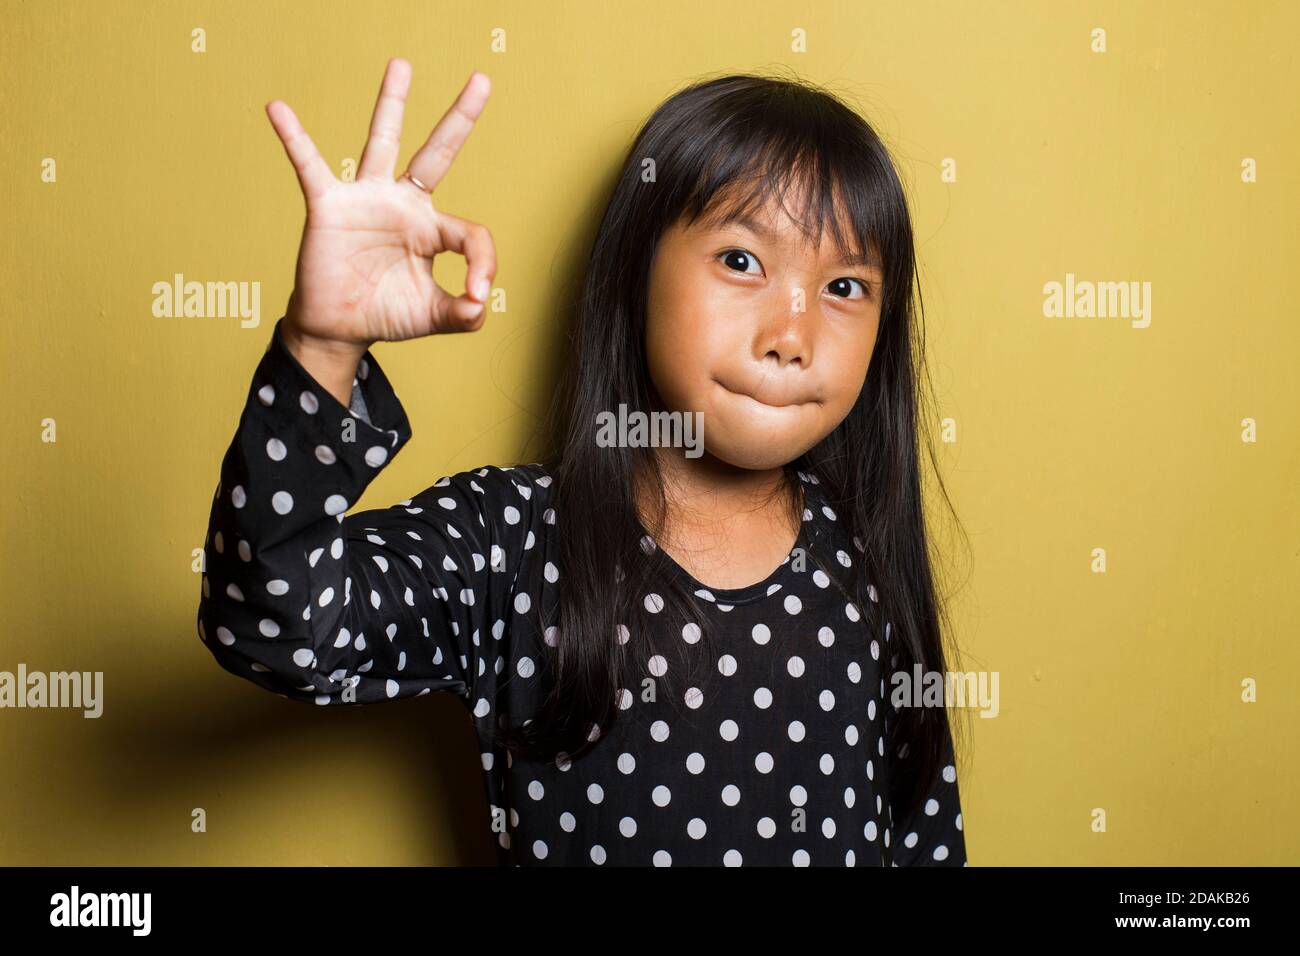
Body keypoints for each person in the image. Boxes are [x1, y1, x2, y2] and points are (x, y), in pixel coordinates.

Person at [197, 59, 969, 866]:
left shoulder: (867, 559)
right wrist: (323, 347)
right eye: (742, 261)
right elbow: (272, 629)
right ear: (635, 272)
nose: (793, 334)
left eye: (845, 285)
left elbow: (927, 837)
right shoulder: (511, 540)